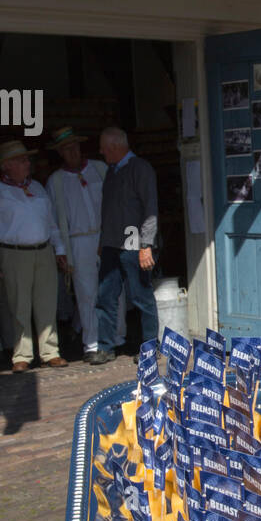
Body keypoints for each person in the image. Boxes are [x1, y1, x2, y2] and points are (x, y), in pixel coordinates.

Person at [46, 126, 119, 362]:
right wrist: (61, 250)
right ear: (60, 153)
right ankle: (92, 344)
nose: (72, 152)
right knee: (86, 293)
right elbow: (53, 221)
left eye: (74, 146)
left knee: (112, 289)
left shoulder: (99, 169)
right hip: (77, 241)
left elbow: (115, 202)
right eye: (66, 149)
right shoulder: (55, 181)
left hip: (105, 235)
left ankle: (115, 338)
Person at [92, 127, 159, 364]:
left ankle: (150, 348)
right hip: (111, 245)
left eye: (103, 147)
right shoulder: (112, 171)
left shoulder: (140, 169)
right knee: (105, 296)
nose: (100, 151)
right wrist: (103, 241)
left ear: (114, 147)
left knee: (141, 297)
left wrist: (146, 245)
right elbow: (108, 211)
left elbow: (150, 208)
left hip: (134, 244)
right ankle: (106, 347)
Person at [0, 139, 68, 370]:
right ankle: (22, 355)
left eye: (27, 159)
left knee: (47, 302)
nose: (27, 163)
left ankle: (50, 351)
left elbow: (51, 223)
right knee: (19, 304)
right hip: (14, 253)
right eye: (21, 160)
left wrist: (59, 249)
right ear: (6, 165)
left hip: (43, 250)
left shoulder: (37, 187)